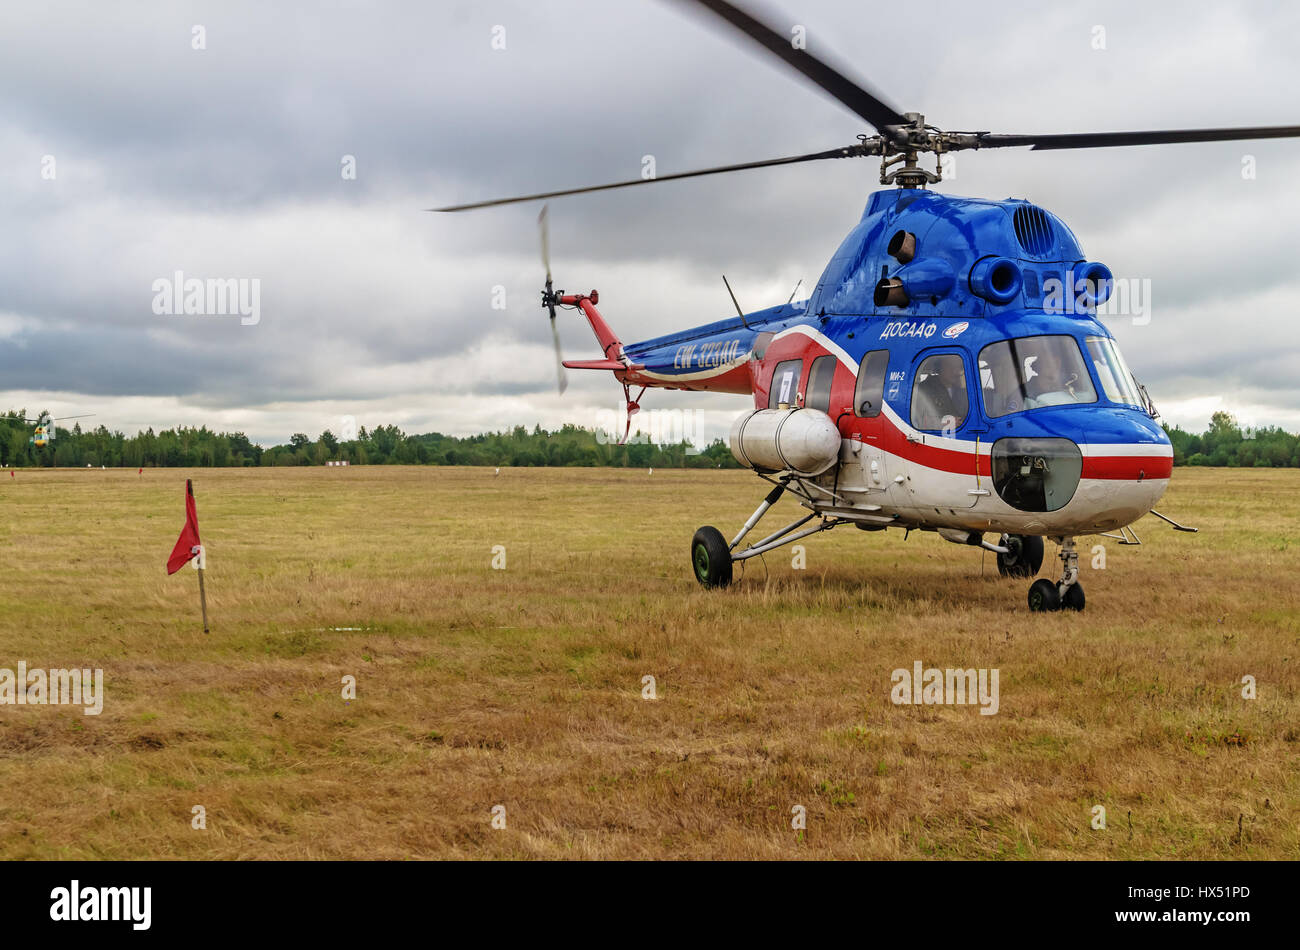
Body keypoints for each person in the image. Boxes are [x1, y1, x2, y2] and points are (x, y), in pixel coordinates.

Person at [914, 356, 968, 430]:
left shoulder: (964, 391)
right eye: (950, 366)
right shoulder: (923, 390)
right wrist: (941, 424)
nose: (955, 371)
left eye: (958, 367)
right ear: (939, 367)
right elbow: (916, 420)